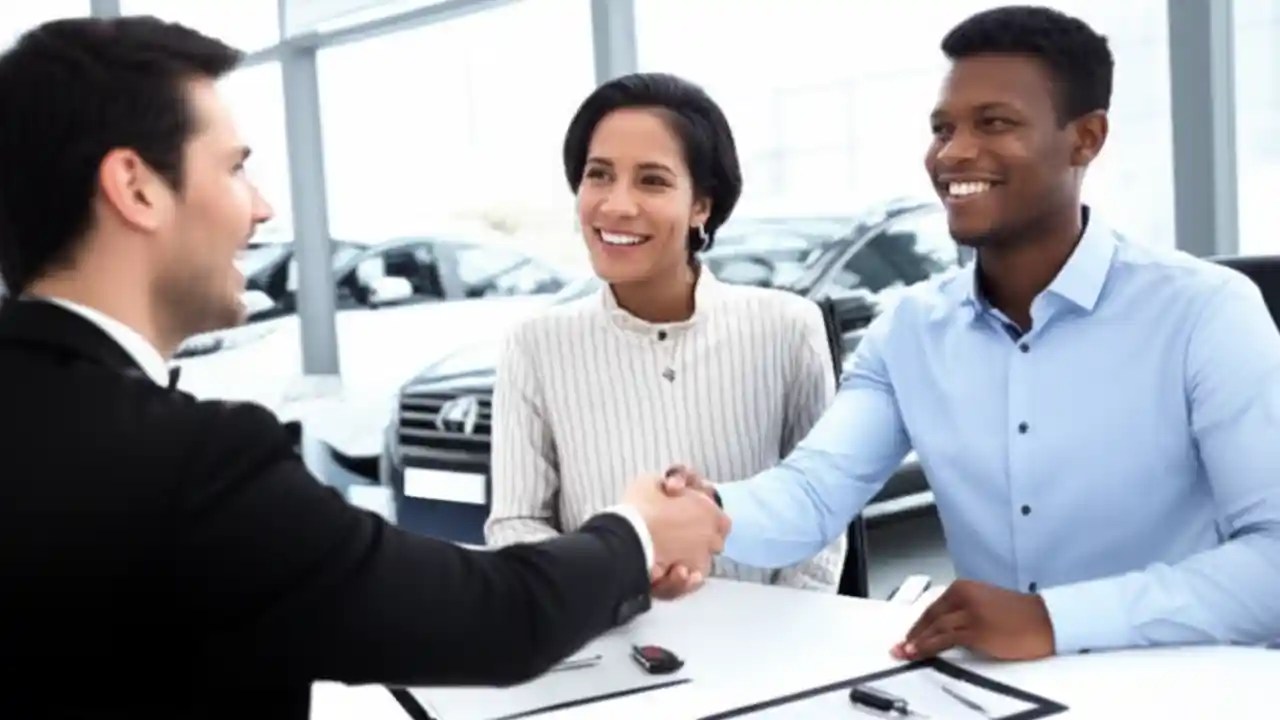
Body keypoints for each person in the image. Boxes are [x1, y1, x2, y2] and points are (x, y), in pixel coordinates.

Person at [0, 17, 728, 719]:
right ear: (135, 188)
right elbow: (498, 617)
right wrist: (639, 533)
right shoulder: (195, 466)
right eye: (235, 168)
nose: (262, 209)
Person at [666, 5, 1280, 660]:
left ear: (1086, 139)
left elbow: (1273, 564)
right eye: (942, 128)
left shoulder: (1206, 314)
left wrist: (1053, 620)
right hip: (992, 694)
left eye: (995, 124)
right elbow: (814, 494)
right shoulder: (909, 329)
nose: (953, 152)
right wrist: (709, 512)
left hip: (1185, 687)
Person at [483, 72, 846, 594]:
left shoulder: (787, 327)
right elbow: (516, 525)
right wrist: (611, 578)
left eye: (652, 180)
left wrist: (784, 635)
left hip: (765, 645)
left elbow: (819, 512)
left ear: (702, 204)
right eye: (599, 175)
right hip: (600, 640)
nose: (616, 205)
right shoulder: (535, 344)